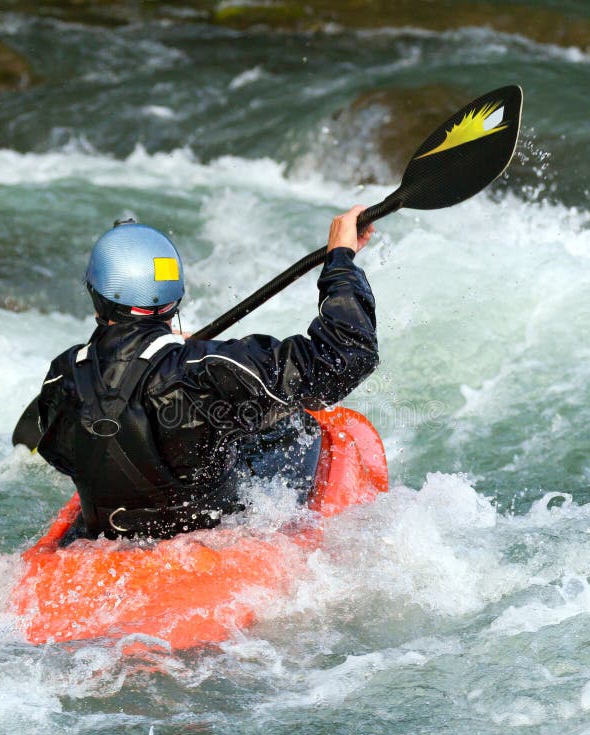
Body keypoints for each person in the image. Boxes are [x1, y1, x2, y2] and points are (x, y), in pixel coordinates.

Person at [36, 206, 377, 538]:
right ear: (174, 298)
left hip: (106, 541)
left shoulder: (61, 376)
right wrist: (341, 258)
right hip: (206, 539)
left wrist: (161, 358)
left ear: (96, 296)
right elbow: (345, 355)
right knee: (296, 425)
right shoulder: (206, 371)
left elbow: (60, 454)